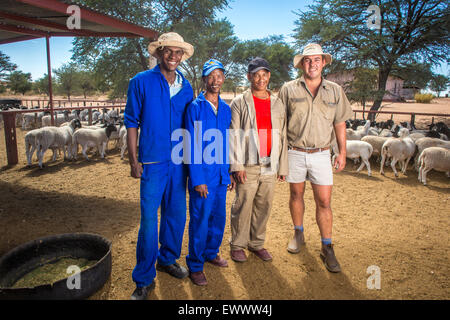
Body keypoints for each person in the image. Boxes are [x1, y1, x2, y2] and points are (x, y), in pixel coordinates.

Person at [124, 32, 194, 300]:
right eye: (168, 51)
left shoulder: (186, 87)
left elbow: (189, 125)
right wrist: (134, 160)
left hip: (178, 162)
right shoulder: (140, 82)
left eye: (178, 53)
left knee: (176, 214)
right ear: (158, 53)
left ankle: (167, 259)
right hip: (151, 162)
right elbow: (131, 122)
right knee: (148, 221)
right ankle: (143, 278)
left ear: (182, 56)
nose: (173, 57)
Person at [278, 43, 353, 273]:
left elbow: (340, 122)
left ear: (323, 62)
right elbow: (279, 125)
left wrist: (342, 152)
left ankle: (327, 246)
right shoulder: (288, 89)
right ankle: (298, 233)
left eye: (316, 60)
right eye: (307, 60)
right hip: (295, 151)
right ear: (302, 63)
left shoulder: (335, 90)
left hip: (321, 153)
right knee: (296, 194)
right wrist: (280, 159)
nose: (312, 64)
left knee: (324, 202)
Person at [229, 57, 288, 262]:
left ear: (269, 76)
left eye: (264, 75)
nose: (261, 79)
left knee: (264, 205)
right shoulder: (239, 102)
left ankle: (256, 244)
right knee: (243, 204)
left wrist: (283, 166)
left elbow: (283, 134)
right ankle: (237, 245)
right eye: (256, 75)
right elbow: (234, 134)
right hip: (248, 163)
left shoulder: (277, 103)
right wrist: (237, 166)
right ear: (249, 77)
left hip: (270, 162)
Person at [184, 59, 232, 286]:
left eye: (219, 76)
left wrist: (228, 172)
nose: (216, 80)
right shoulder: (195, 107)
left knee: (218, 217)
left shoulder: (225, 109)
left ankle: (211, 253)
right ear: (204, 79)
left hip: (221, 175)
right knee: (200, 219)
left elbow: (226, 142)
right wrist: (198, 179)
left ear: (223, 79)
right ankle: (195, 264)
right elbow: (191, 146)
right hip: (203, 175)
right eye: (211, 76)